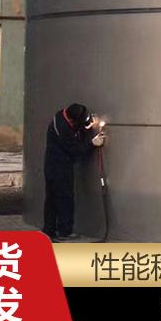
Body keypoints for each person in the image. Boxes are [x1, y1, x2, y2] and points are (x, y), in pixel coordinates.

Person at [42, 103, 104, 241]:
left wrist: (85, 126)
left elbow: (75, 129)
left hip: (51, 166)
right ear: (72, 120)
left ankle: (49, 230)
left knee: (51, 200)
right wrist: (92, 143)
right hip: (59, 168)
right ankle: (64, 232)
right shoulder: (63, 129)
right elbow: (75, 150)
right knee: (64, 199)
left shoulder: (62, 115)